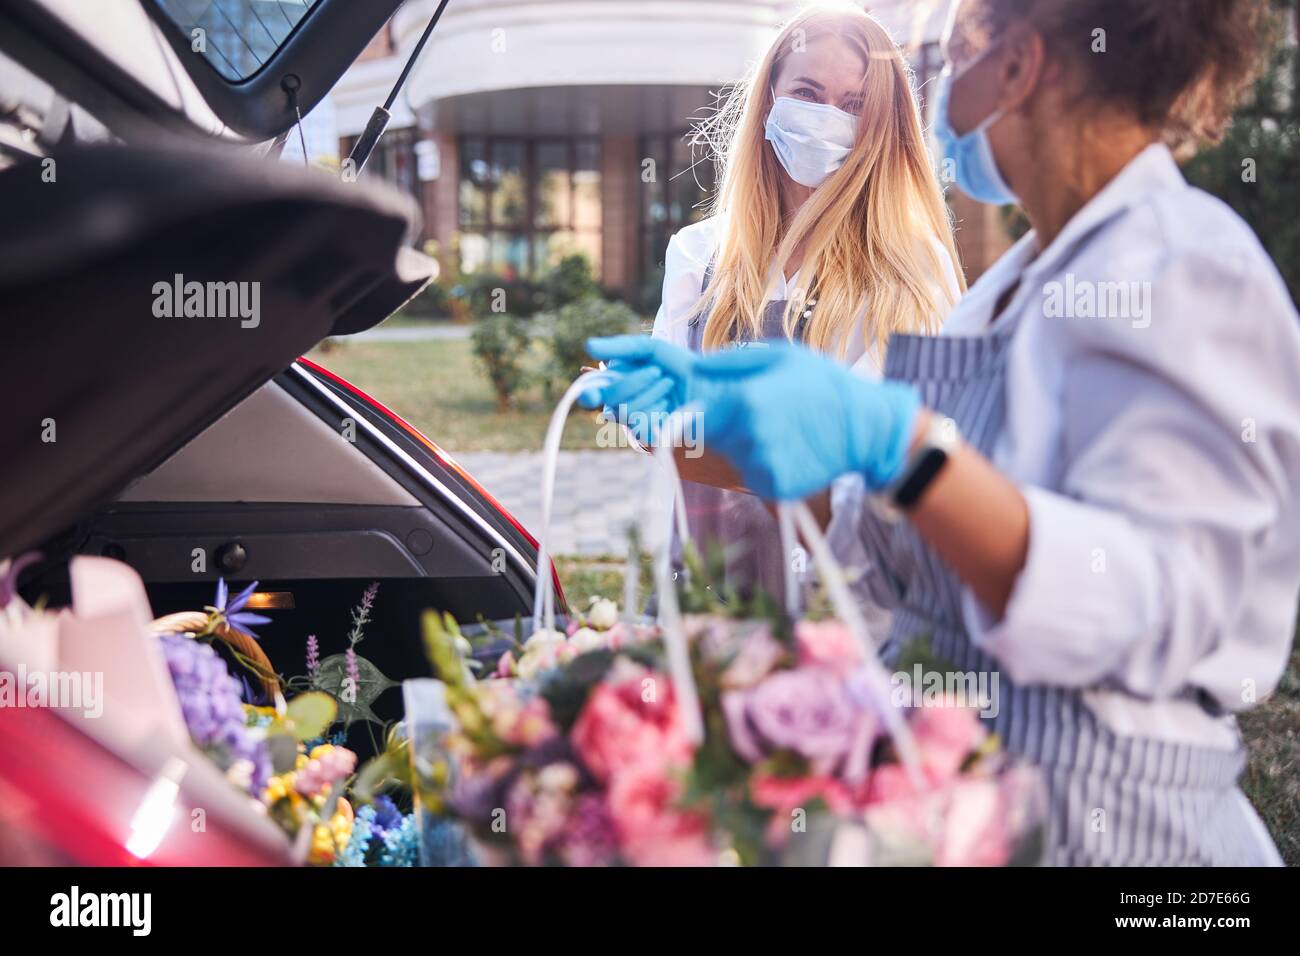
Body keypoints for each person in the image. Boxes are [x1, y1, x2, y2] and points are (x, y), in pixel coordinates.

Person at [584, 0, 1300, 865]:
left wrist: (902, 444)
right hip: (979, 798)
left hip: (1130, 833)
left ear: (1019, 65)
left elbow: (1158, 605)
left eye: (956, 55)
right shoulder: (1010, 289)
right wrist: (762, 444)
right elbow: (891, 540)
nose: (939, 92)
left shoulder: (1182, 264)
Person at [593, 3, 963, 601]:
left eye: (854, 105)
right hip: (709, 587)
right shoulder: (699, 255)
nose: (826, 119)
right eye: (807, 92)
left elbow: (910, 476)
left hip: (846, 602)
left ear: (883, 124)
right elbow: (669, 431)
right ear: (769, 98)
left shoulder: (913, 273)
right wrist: (642, 411)